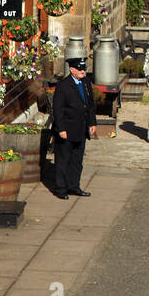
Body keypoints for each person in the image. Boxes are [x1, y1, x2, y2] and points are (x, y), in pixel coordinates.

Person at [51, 55, 97, 199]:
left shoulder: (85, 83)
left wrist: (92, 122)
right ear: (72, 70)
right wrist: (61, 129)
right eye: (80, 68)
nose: (83, 71)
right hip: (67, 129)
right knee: (63, 160)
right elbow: (58, 110)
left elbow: (90, 105)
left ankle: (74, 186)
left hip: (81, 128)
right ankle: (61, 189)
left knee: (77, 160)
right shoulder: (63, 86)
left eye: (84, 68)